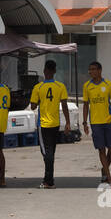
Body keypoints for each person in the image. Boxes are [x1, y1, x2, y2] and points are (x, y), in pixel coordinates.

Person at [30, 60, 70, 189]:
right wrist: (68, 122)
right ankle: (49, 179)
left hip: (43, 124)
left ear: (44, 70)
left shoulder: (38, 87)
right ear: (55, 71)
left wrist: (37, 101)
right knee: (50, 151)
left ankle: (48, 181)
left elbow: (33, 106)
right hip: (55, 123)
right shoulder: (60, 86)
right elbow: (64, 105)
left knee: (46, 152)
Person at [82, 60, 111, 187]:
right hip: (95, 123)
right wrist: (85, 122)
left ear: (100, 70)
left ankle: (104, 169)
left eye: (93, 69)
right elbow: (86, 105)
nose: (91, 72)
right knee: (101, 150)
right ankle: (109, 179)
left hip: (108, 121)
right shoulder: (87, 86)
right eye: (90, 69)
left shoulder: (108, 84)